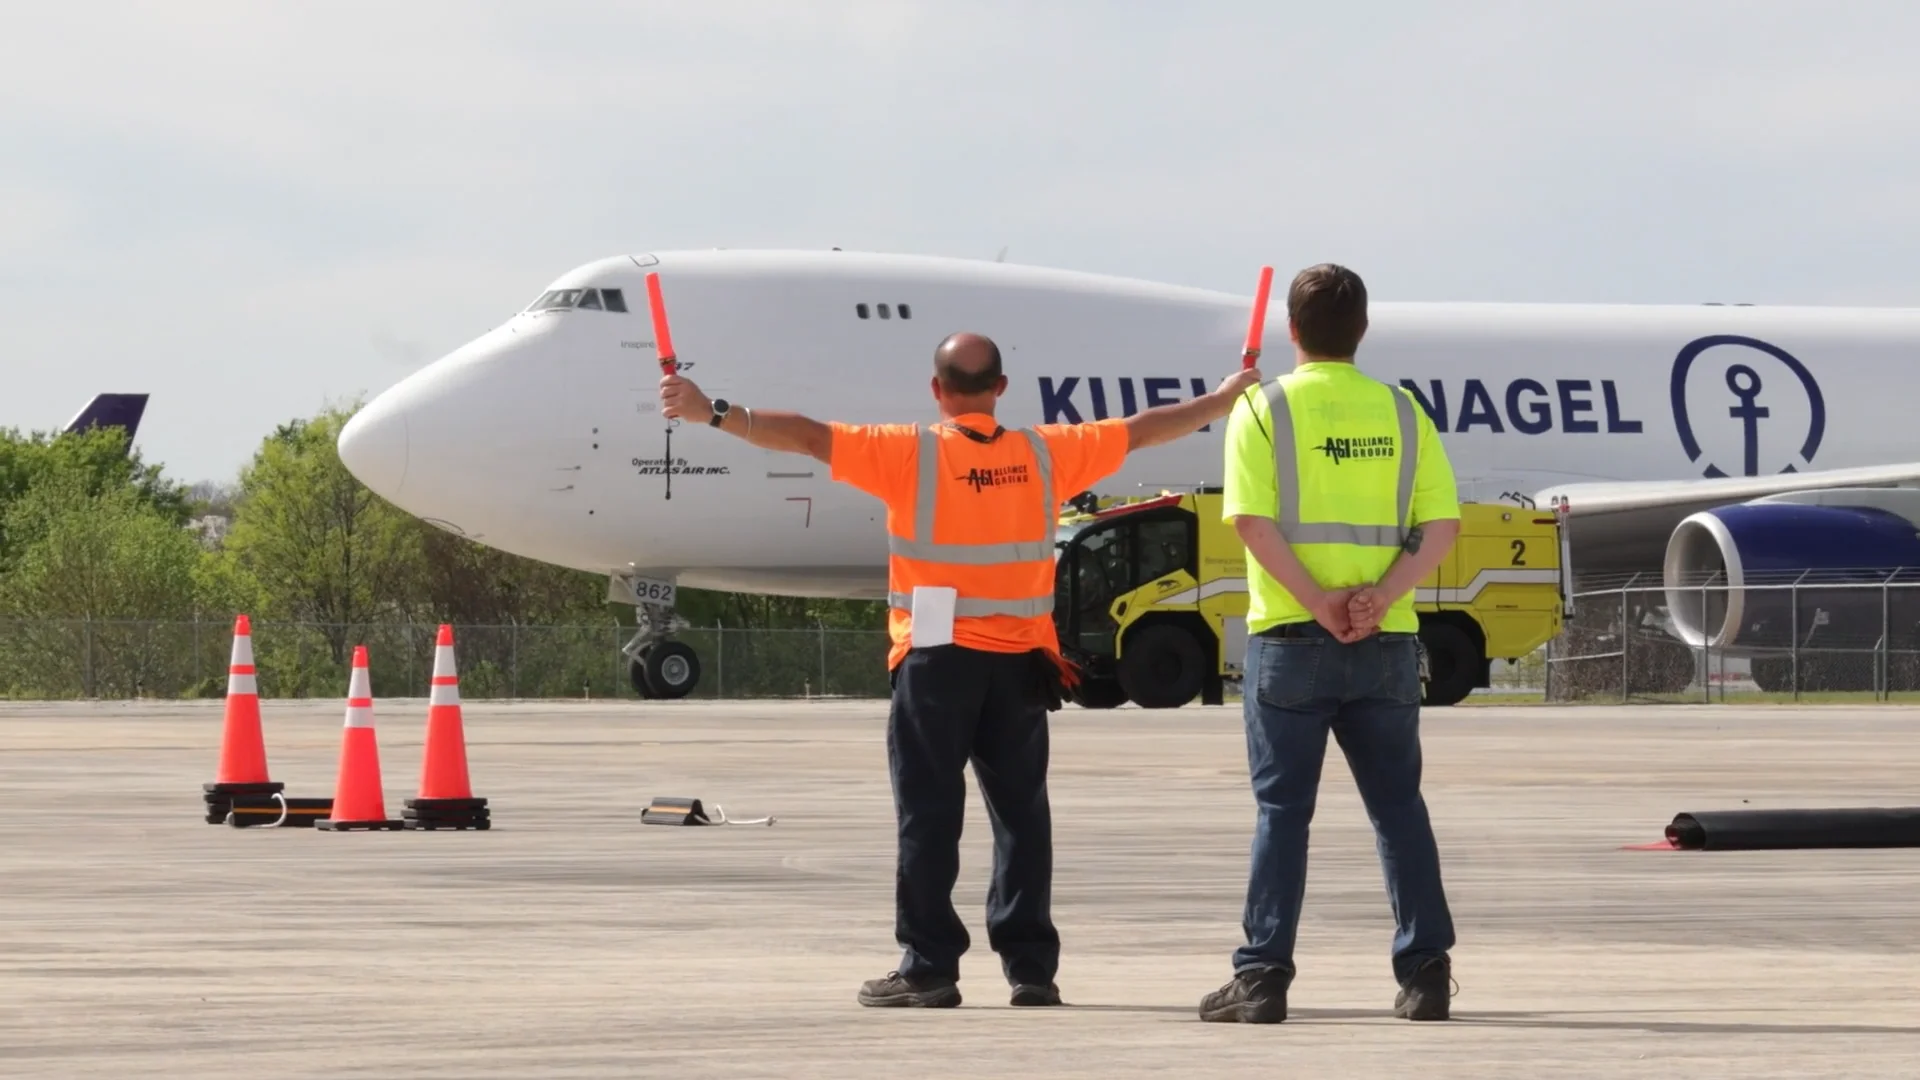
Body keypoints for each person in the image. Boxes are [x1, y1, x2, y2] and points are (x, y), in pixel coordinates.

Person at [660, 332, 1262, 1009]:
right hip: (1019, 666)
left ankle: (929, 967)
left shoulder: (905, 454)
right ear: (1001, 388)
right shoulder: (1045, 454)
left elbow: (803, 435)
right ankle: (1031, 968)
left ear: (937, 391)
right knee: (1022, 817)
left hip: (935, 663)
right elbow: (1144, 430)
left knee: (928, 815)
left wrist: (712, 413)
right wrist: (1219, 399)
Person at [1199, 263, 1461, 1025]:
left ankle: (1263, 978)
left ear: (1291, 330)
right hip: (1385, 642)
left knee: (1282, 813)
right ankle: (1426, 974)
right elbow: (1440, 525)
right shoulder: (1404, 412)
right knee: (1398, 810)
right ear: (1364, 330)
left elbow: (1252, 522)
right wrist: (1380, 597)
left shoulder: (1263, 409)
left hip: (1290, 638)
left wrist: (1317, 602)